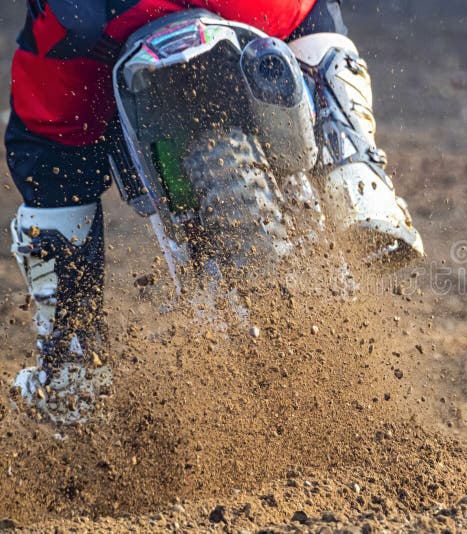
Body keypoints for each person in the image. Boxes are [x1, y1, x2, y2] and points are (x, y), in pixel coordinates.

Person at [7, 0, 423, 424]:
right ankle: (355, 175)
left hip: (107, 23)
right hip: (253, 7)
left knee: (48, 142)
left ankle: (71, 365)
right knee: (310, 14)